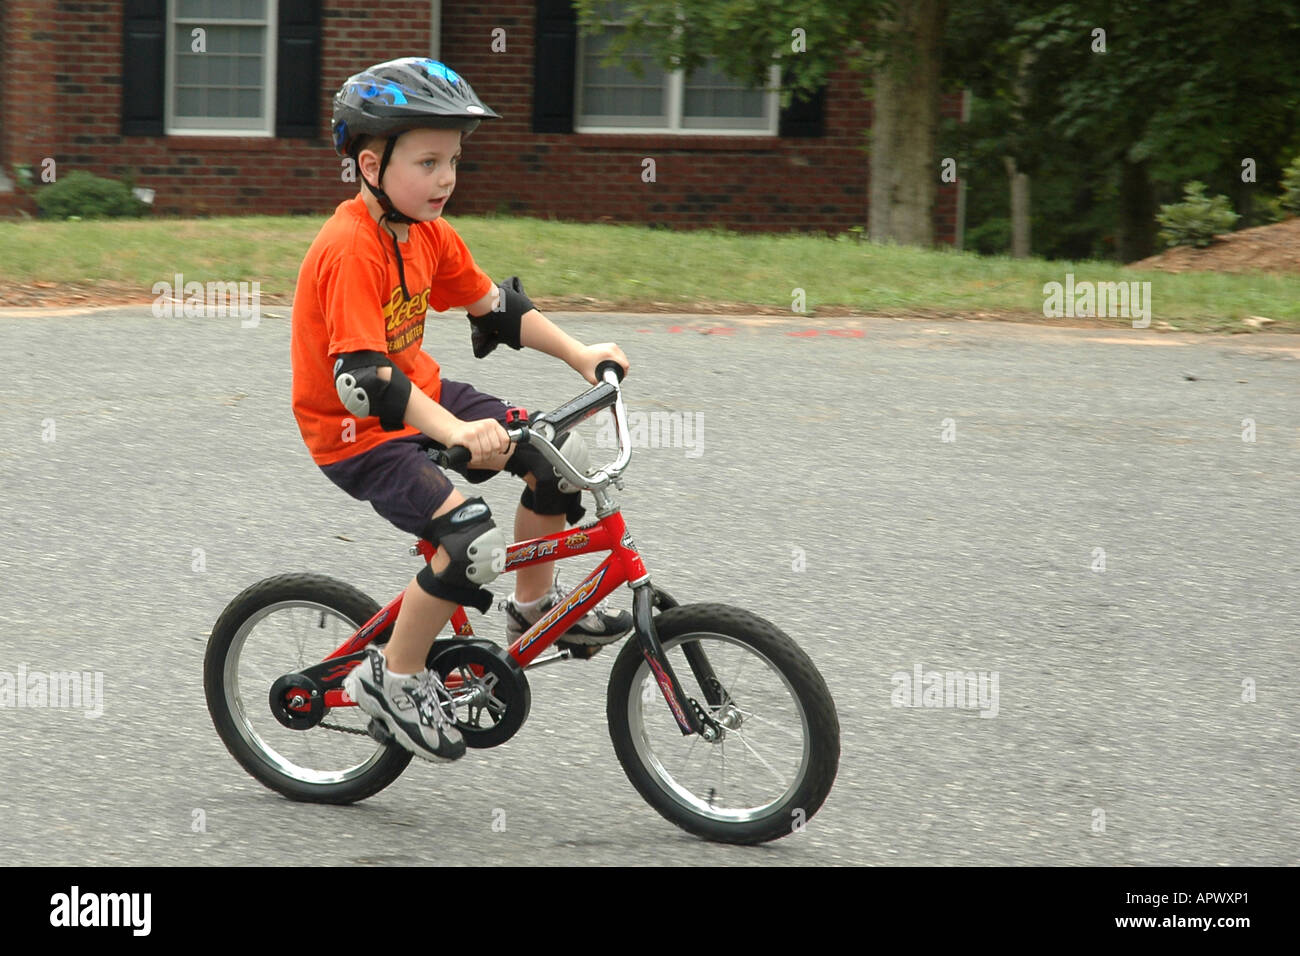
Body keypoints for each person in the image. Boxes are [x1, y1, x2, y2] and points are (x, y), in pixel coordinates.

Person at [289, 57, 631, 763]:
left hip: (420, 393)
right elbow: (366, 380)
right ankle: (397, 677)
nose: (445, 178)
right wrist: (456, 433)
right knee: (468, 541)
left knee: (556, 460)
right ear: (369, 165)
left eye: (453, 160)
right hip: (356, 431)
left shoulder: (426, 232)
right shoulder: (350, 247)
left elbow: (495, 308)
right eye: (427, 161)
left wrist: (580, 354)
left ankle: (535, 610)